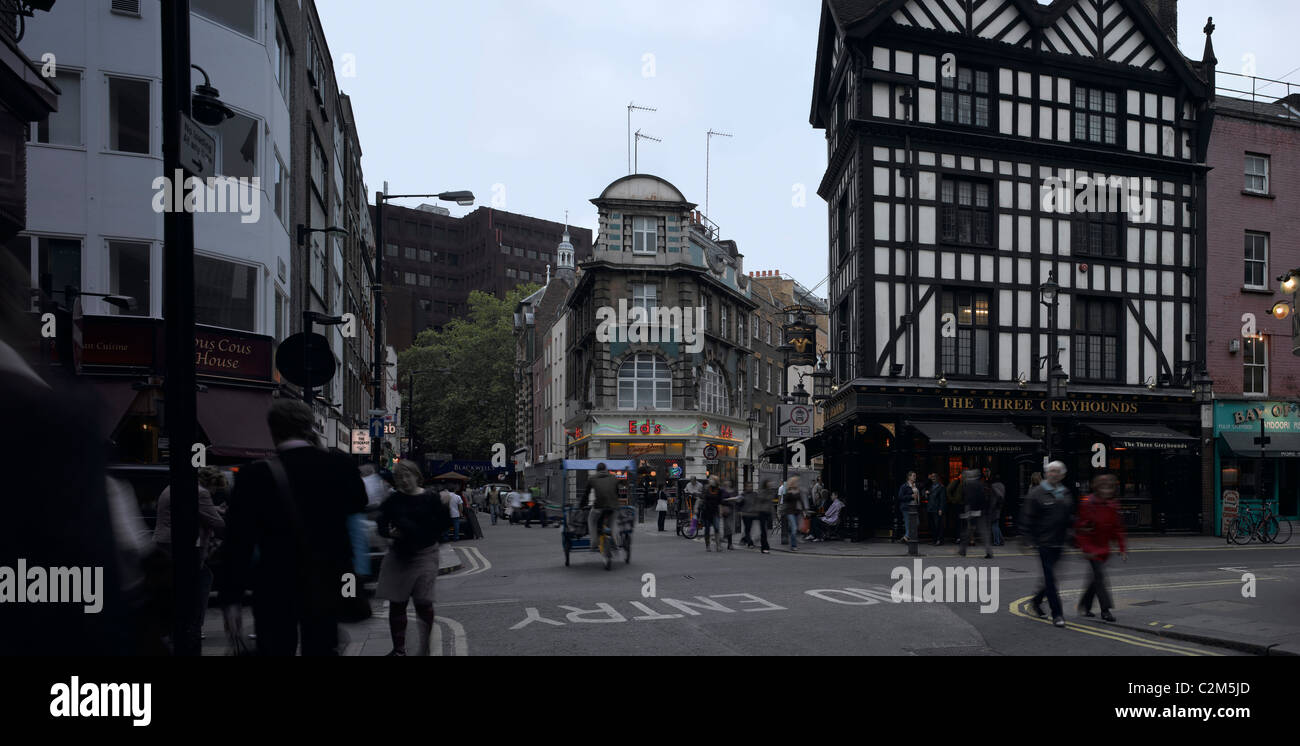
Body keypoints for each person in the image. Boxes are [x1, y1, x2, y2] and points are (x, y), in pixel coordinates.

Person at [218, 399, 366, 655]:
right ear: (310, 427)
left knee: (275, 648)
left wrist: (231, 599)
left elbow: (238, 542)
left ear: (273, 430)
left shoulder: (254, 475)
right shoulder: (340, 466)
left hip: (274, 584)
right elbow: (356, 512)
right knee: (322, 647)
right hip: (325, 581)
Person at [376, 461, 451, 656]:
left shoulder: (431, 499)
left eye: (408, 475)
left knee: (423, 603)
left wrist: (443, 508)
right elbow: (381, 524)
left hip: (425, 554)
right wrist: (390, 533)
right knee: (397, 602)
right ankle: (399, 650)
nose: (404, 480)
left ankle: (425, 648)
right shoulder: (393, 501)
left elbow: (444, 524)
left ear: (417, 476)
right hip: (400, 556)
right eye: (400, 477)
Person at [154, 466, 227, 648]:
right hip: (181, 546)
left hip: (164, 542)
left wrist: (214, 508)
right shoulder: (201, 492)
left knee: (175, 587)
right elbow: (216, 523)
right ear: (210, 483)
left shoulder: (176, 486)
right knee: (200, 581)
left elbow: (192, 508)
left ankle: (171, 628)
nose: (214, 492)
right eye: (215, 488)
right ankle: (193, 626)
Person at [1021, 461, 1075, 628]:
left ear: (1062, 475)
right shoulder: (1037, 493)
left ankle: (1036, 601)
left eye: (1057, 471)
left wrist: (1074, 534)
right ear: (1046, 473)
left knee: (1051, 579)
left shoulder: (1065, 493)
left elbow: (1069, 517)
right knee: (1051, 580)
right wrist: (1027, 538)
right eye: (1051, 471)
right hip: (1044, 542)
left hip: (1059, 542)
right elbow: (1027, 517)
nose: (1054, 474)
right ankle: (1057, 614)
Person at [1075, 473, 1127, 622]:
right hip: (1091, 549)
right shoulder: (1088, 503)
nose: (1106, 491)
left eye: (1109, 488)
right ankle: (1105, 610)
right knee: (1100, 578)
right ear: (1097, 488)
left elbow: (1118, 528)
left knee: (1095, 579)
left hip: (1104, 548)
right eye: (1103, 487)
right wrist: (1085, 548)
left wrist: (1122, 548)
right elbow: (1080, 529)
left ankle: (1085, 605)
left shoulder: (1113, 504)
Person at [958, 469, 992, 559]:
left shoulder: (968, 485)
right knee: (983, 532)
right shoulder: (980, 484)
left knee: (968, 531)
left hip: (972, 510)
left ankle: (963, 550)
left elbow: (968, 498)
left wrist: (967, 512)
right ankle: (989, 551)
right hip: (981, 511)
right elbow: (983, 497)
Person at [586, 463, 622, 549]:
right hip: (613, 506)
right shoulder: (614, 477)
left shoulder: (592, 478)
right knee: (613, 523)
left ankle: (594, 542)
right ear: (606, 469)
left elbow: (586, 494)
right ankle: (616, 541)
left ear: (597, 470)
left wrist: (582, 505)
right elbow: (617, 492)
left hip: (599, 506)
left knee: (591, 521)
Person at [699, 477, 728, 552]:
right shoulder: (706, 489)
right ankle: (707, 546)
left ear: (716, 481)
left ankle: (718, 546)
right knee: (707, 529)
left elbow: (721, 502)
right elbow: (702, 499)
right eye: (710, 479)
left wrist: (721, 511)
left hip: (715, 511)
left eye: (712, 479)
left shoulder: (719, 490)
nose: (710, 480)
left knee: (717, 528)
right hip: (707, 511)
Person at [781, 476, 805, 551]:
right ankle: (793, 545)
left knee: (796, 528)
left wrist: (804, 510)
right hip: (790, 512)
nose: (797, 483)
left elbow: (801, 501)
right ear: (792, 483)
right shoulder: (788, 490)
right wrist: (789, 493)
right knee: (794, 528)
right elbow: (785, 500)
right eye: (796, 482)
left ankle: (791, 536)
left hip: (797, 512)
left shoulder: (798, 490)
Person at [896, 471, 920, 542]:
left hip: (914, 507)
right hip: (906, 507)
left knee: (917, 522)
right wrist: (911, 496)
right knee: (908, 523)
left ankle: (906, 537)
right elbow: (900, 497)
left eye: (915, 476)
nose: (915, 477)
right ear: (909, 477)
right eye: (913, 476)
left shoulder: (915, 485)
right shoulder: (904, 486)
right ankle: (908, 538)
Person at [927, 473, 946, 545]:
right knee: (932, 525)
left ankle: (939, 540)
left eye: (934, 477)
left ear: (938, 478)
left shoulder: (941, 487)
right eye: (932, 477)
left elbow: (943, 499)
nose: (933, 478)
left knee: (938, 525)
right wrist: (927, 493)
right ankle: (935, 539)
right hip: (930, 508)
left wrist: (941, 509)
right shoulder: (931, 486)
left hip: (937, 508)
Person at [989, 474, 1007, 546]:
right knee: (996, 524)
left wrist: (991, 508)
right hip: (1000, 506)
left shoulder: (993, 486)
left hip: (995, 507)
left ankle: (997, 541)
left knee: (994, 525)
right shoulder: (1002, 485)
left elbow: (993, 499)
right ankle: (1001, 540)